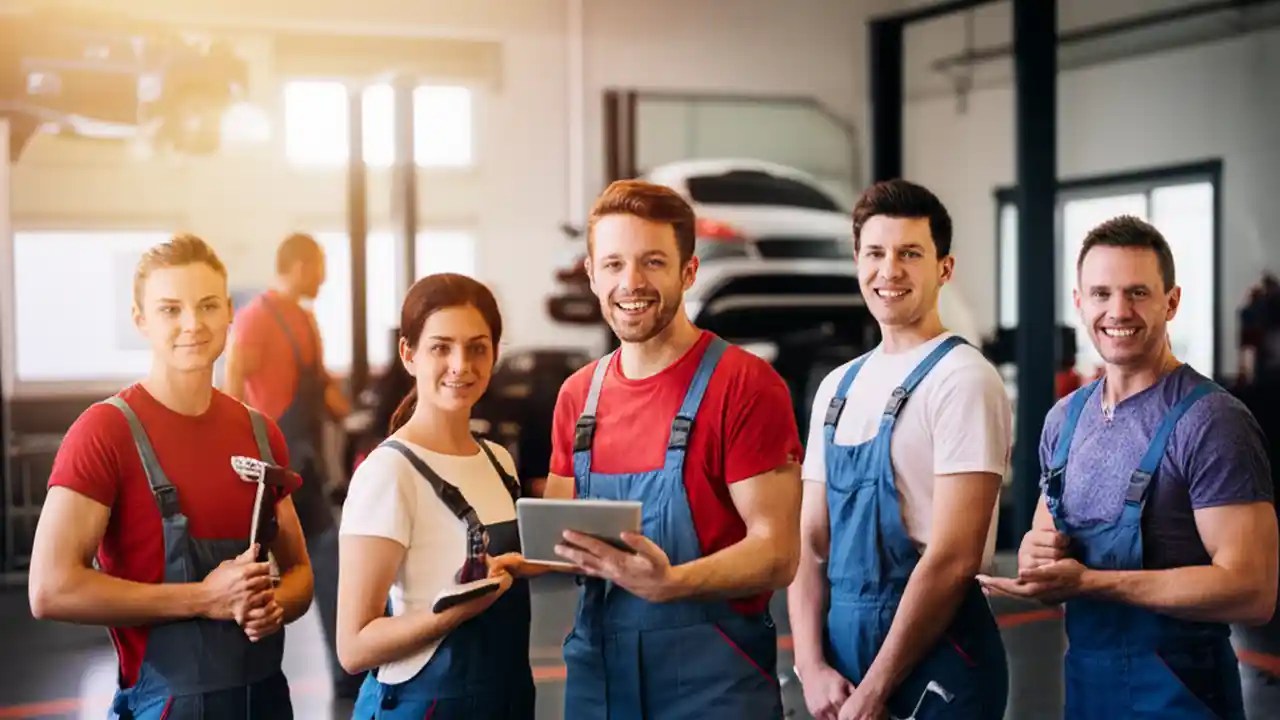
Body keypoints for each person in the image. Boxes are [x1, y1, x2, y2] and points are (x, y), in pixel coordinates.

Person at [978, 215, 1278, 718]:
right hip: (1086, 694)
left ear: (1171, 302)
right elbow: (1045, 543)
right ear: (1079, 302)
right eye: (1101, 293)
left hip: (1183, 699)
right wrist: (1036, 554)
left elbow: (1253, 591)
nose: (1118, 311)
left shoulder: (1212, 421)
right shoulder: (1064, 420)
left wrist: (1091, 583)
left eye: (1138, 292)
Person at [526, 179, 804, 719]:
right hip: (600, 682)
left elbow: (777, 552)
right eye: (613, 264)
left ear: (689, 271)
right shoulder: (578, 397)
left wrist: (672, 583)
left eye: (652, 262)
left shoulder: (745, 386)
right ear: (591, 274)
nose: (630, 282)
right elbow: (555, 539)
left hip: (713, 686)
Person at [28, 234, 313, 719]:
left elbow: (300, 572)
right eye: (170, 309)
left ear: (229, 312)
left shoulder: (261, 434)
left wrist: (275, 605)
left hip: (265, 701)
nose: (192, 324)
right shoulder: (105, 432)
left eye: (207, 306)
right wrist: (204, 598)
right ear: (140, 320)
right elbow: (50, 589)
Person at [787, 179, 1012, 720]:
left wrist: (875, 690)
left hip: (938, 660)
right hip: (841, 661)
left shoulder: (963, 378)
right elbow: (808, 545)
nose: (889, 271)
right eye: (875, 253)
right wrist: (811, 667)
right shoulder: (837, 388)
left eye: (910, 253)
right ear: (857, 262)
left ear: (944, 268)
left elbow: (954, 559)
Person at [336, 273, 534, 719]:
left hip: (505, 699)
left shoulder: (499, 461)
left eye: (477, 348)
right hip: (420, 705)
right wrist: (453, 613)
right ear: (409, 355)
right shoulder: (388, 472)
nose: (461, 365)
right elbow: (353, 646)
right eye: (441, 347)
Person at [224, 231, 354, 697]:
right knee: (307, 555)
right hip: (271, 463)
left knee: (326, 553)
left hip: (306, 460)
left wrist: (368, 423)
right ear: (300, 265)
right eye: (320, 267)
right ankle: (344, 670)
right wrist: (235, 451)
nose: (324, 278)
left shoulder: (305, 320)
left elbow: (324, 389)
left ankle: (348, 667)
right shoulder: (257, 317)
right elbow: (234, 379)